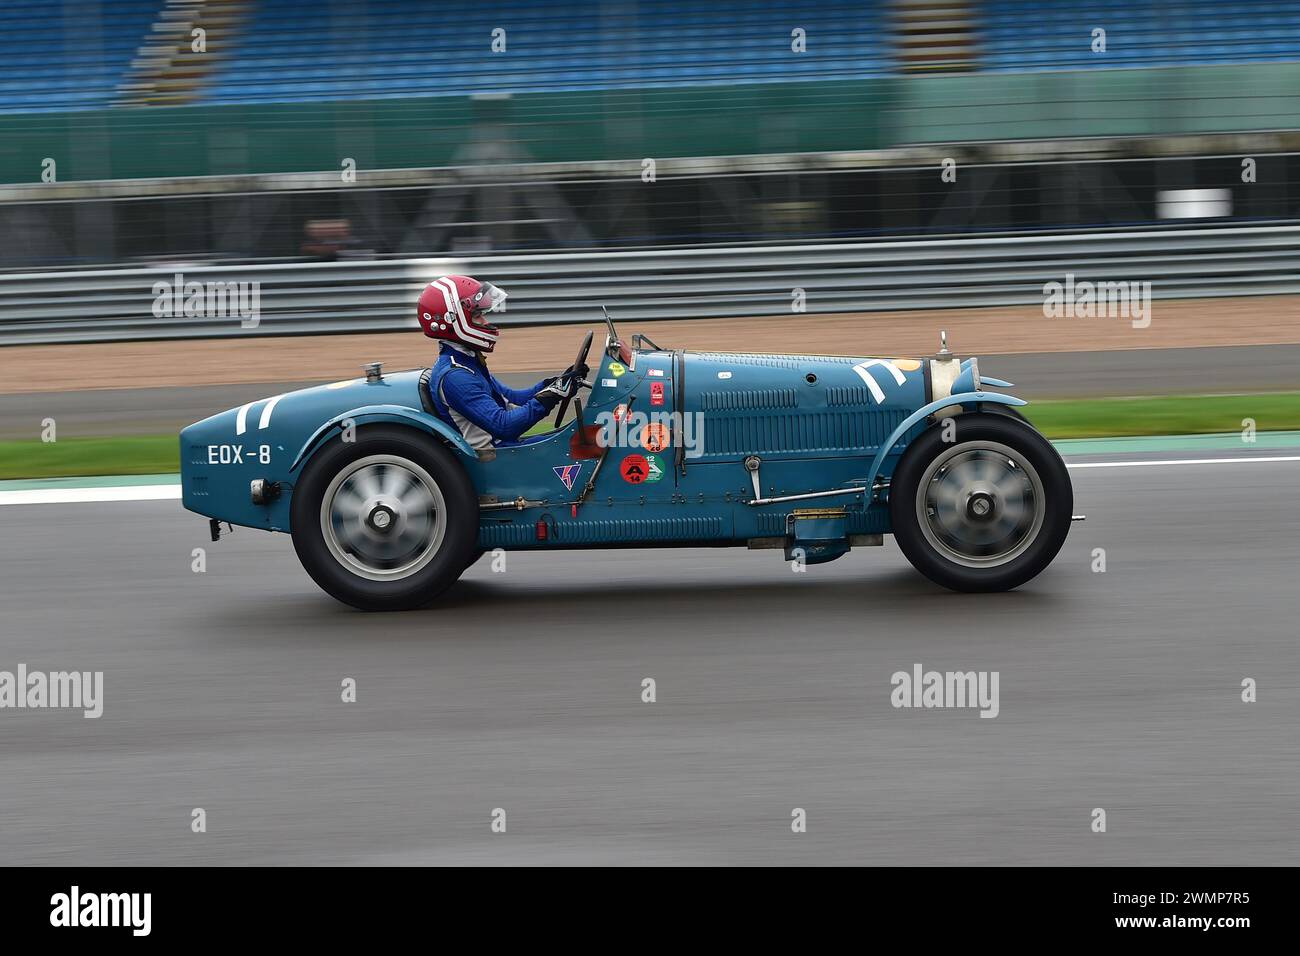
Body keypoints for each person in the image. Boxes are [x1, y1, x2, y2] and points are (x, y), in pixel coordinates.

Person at [417, 275, 586, 453]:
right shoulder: (456, 375)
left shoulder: (465, 360)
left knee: (587, 437)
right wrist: (552, 395)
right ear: (452, 320)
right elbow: (505, 426)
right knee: (591, 448)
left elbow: (511, 398)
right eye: (477, 315)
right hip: (497, 458)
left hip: (506, 448)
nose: (485, 322)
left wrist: (552, 385)